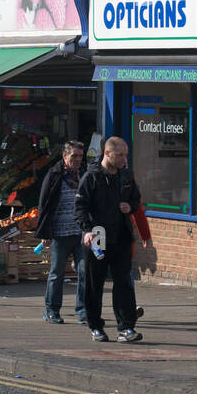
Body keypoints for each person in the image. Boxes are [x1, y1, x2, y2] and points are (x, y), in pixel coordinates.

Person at [75, 136, 144, 343]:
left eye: (126, 155)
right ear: (107, 153)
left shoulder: (126, 175)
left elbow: (136, 198)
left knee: (123, 282)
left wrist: (129, 207)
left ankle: (126, 327)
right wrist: (87, 230)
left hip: (121, 235)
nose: (124, 159)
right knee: (94, 283)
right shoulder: (92, 177)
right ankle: (95, 326)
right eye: (120, 155)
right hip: (98, 236)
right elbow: (80, 208)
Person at [37, 140, 88, 324]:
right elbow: (44, 205)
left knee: (84, 272)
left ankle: (83, 312)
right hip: (59, 233)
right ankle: (51, 310)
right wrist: (45, 233)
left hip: (81, 233)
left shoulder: (84, 174)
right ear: (65, 156)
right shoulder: (54, 175)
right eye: (74, 156)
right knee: (57, 273)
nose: (77, 159)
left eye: (80, 156)